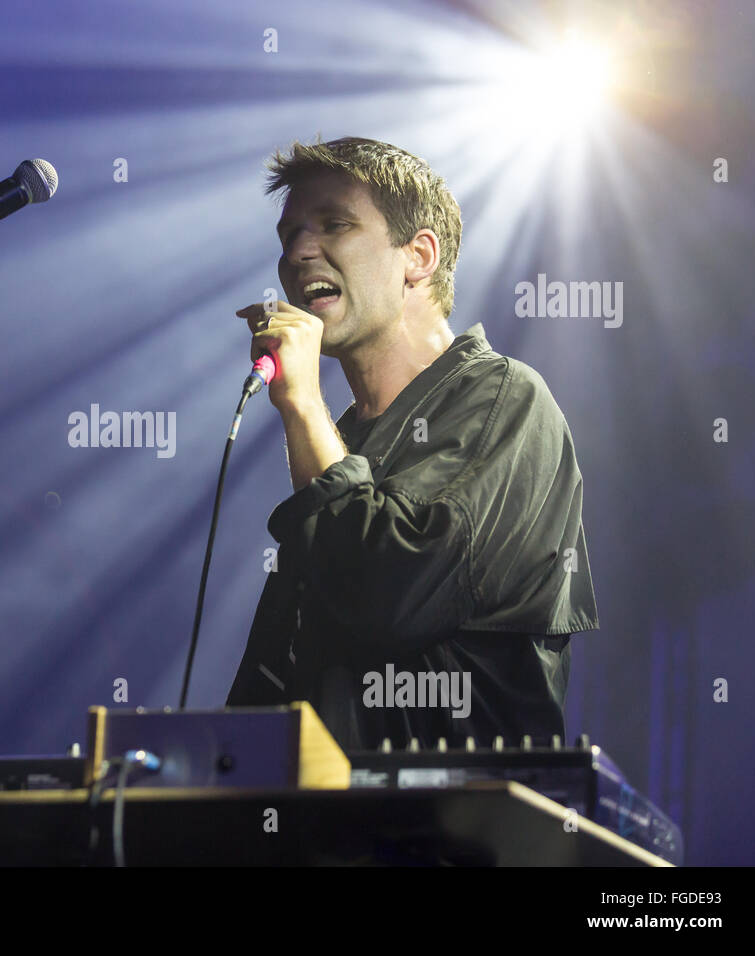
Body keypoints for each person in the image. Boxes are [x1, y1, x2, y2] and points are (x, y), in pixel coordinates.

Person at [226, 136, 599, 753]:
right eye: (287, 235)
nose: (297, 253)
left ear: (418, 255)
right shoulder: (338, 437)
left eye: (334, 225)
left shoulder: (506, 400)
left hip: (443, 835)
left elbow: (384, 599)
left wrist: (301, 402)